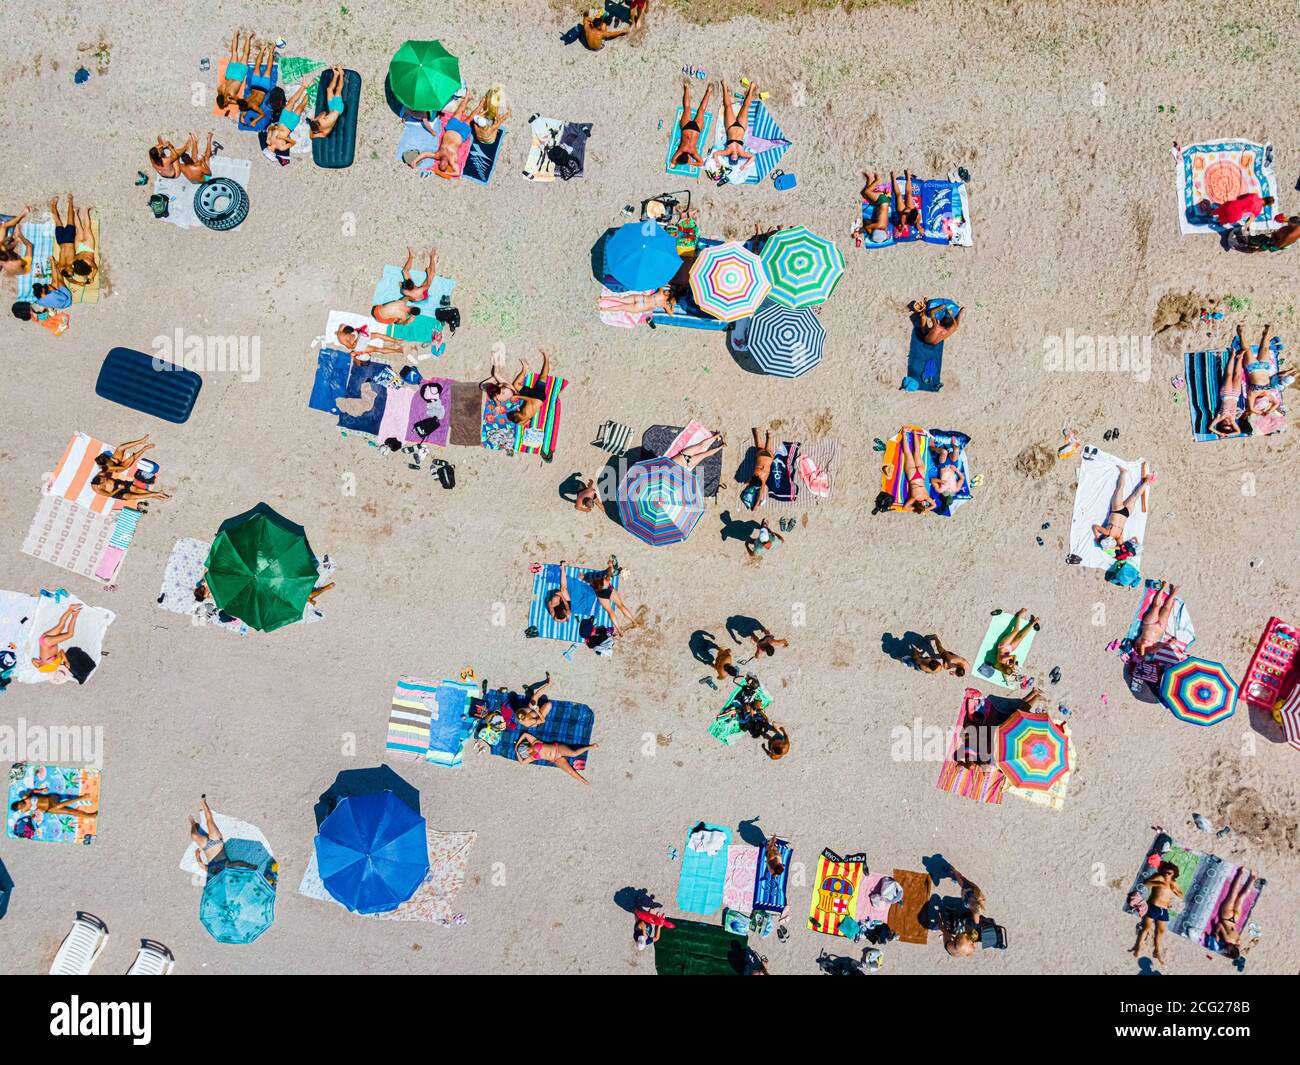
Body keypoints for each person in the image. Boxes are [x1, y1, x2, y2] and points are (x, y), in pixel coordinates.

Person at [1131, 860, 1183, 963]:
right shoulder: (1159, 877)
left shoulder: (1173, 883)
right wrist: (1159, 883)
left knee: (1161, 931)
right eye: (1165, 871)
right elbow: (1146, 882)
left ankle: (1157, 952)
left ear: (1174, 874)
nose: (1166, 874)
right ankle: (1137, 948)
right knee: (1146, 927)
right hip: (1153, 906)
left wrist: (1175, 890)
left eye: (1169, 873)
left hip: (1164, 910)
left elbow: (1181, 894)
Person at [1091, 465, 1153, 548]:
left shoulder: (1118, 537)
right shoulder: (1107, 532)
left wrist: (1113, 547)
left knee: (1135, 496)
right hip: (1117, 510)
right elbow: (1094, 527)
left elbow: (1120, 546)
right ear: (1104, 538)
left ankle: (1146, 482)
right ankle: (1123, 472)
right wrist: (1097, 538)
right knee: (1120, 488)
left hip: (1126, 514)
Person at [49, 195, 97, 288]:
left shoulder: (62, 266)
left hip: (64, 240)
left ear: (66, 271)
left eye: (71, 272)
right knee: (64, 220)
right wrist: (80, 282)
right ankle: (64, 203)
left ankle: (58, 204)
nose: (72, 271)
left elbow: (68, 278)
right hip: (65, 241)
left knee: (61, 220)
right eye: (73, 272)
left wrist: (79, 281)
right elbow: (70, 277)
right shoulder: (72, 265)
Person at [1211, 867, 1257, 959]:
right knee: (1233, 894)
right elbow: (1220, 924)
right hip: (1226, 917)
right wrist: (1216, 933)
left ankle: (1252, 878)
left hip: (1235, 918)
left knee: (1242, 896)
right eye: (1227, 951)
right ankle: (1241, 873)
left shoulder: (1238, 942)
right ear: (1229, 950)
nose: (1225, 949)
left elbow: (1238, 946)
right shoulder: (1227, 940)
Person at [430, 94, 480, 178]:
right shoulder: (452, 161)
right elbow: (457, 172)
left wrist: (415, 161)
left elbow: (424, 155)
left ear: (439, 163)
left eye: (441, 165)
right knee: (470, 118)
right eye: (445, 166)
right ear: (447, 166)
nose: (444, 163)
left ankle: (468, 97)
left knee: (459, 111)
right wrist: (446, 173)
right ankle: (481, 104)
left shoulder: (437, 155)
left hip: (451, 128)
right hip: (461, 134)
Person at [514, 734, 597, 784]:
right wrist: (517, 752)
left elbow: (525, 734)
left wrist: (517, 744)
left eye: (526, 748)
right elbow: (522, 763)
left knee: (573, 753)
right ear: (525, 753)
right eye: (526, 752)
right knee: (570, 771)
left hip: (557, 748)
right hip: (556, 759)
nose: (528, 750)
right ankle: (583, 781)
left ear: (526, 745)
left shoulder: (533, 742)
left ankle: (590, 747)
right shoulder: (532, 757)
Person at [710, 79, 757, 166]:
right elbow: (752, 157)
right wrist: (745, 165)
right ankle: (752, 87)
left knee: (728, 107)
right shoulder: (741, 153)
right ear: (737, 158)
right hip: (742, 127)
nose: (733, 158)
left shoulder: (727, 151)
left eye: (732, 160)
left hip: (730, 126)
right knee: (746, 107)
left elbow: (715, 154)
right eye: (735, 160)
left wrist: (717, 162)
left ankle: (724, 86)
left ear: (730, 158)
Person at [672, 79, 714, 168]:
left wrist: (690, 163)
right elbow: (673, 160)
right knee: (687, 107)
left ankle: (709, 91)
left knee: (701, 110)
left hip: (696, 130)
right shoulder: (680, 150)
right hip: (686, 128)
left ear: (688, 158)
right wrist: (680, 161)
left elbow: (701, 163)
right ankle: (686, 87)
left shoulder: (693, 152)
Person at [31, 603, 82, 677]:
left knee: (68, 633)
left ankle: (72, 611)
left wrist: (66, 661)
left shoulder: (54, 665)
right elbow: (33, 660)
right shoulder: (43, 666)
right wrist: (41, 662)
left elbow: (61, 652)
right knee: (62, 628)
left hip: (48, 643)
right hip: (44, 641)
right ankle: (74, 614)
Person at [1240, 323, 1280, 417]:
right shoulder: (1268, 394)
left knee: (1247, 350)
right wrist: (1268, 412)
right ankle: (1265, 334)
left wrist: (1261, 413)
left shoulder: (1252, 395)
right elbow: (1276, 404)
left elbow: (1251, 409)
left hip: (1253, 369)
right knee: (1265, 348)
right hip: (1265, 368)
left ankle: (1241, 333)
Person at [588, 558, 636, 635]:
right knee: (621, 606)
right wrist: (610, 565)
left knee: (610, 612)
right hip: (609, 590)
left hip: (601, 595)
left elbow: (588, 580)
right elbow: (609, 573)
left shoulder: (592, 582)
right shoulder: (605, 580)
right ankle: (634, 621)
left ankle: (619, 631)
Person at [506, 351, 553, 426]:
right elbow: (530, 400)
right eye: (516, 411)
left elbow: (524, 423)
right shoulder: (527, 412)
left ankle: (525, 368)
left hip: (531, 397)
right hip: (538, 397)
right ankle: (547, 357)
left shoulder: (520, 422)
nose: (516, 410)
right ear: (518, 415)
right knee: (543, 376)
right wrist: (517, 396)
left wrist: (520, 410)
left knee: (516, 385)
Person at [1132, 584, 1179, 657]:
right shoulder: (1153, 650)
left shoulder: (1138, 645)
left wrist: (1143, 647)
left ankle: (1162, 588)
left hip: (1149, 624)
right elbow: (1161, 645)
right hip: (1161, 628)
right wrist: (1170, 643)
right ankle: (1173, 594)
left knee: (1156, 607)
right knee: (1166, 610)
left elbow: (1141, 650)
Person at [991, 608, 1038, 680]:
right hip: (1009, 649)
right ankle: (1033, 623)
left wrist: (1013, 663)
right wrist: (1012, 666)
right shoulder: (1005, 666)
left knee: (1016, 631)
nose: (1011, 667)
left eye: (1010, 667)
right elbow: (1010, 660)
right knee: (1021, 636)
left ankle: (1019, 615)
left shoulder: (1001, 661)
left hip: (1003, 646)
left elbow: (1013, 656)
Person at [1211, 344, 1246, 435]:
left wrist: (1220, 433)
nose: (1228, 423)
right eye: (1229, 425)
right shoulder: (1233, 420)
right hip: (1235, 395)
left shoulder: (1219, 418)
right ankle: (1239, 358)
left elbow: (1210, 427)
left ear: (1221, 424)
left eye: (1225, 424)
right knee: (1238, 376)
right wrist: (1228, 434)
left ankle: (1232, 355)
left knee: (1229, 375)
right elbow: (1238, 432)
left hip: (1226, 394)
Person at [215, 30, 253, 111]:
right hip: (229, 74)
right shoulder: (219, 89)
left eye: (225, 104)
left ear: (225, 101)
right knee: (234, 52)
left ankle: (248, 38)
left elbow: (241, 102)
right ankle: (236, 34)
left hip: (238, 76)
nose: (226, 105)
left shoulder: (231, 94)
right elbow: (221, 93)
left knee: (245, 55)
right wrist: (227, 99)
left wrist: (230, 101)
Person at [334, 323, 411, 363]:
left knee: (377, 334)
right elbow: (351, 347)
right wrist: (359, 336)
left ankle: (396, 341)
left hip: (358, 337)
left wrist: (358, 333)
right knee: (377, 349)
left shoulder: (342, 327)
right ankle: (399, 350)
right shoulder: (341, 339)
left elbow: (348, 328)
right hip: (357, 345)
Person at [188, 795, 227, 870]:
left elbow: (202, 867)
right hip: (217, 842)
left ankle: (193, 823)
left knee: (194, 835)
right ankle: (203, 802)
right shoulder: (228, 869)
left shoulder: (212, 873)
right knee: (209, 821)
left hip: (206, 848)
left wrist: (197, 856)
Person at [307, 66, 347, 138]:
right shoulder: (321, 121)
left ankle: (336, 74)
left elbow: (311, 136)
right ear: (317, 123)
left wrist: (313, 129)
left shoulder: (324, 132)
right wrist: (316, 119)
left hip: (331, 109)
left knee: (329, 89)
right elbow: (324, 112)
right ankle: (341, 73)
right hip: (338, 109)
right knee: (338, 90)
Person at [900, 433, 936, 514]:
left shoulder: (926, 497)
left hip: (921, 475)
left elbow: (934, 505)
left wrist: (925, 510)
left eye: (924, 506)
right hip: (912, 477)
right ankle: (904, 433)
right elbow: (905, 507)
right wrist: (914, 509)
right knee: (908, 453)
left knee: (917, 452)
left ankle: (915, 433)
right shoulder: (913, 498)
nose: (926, 504)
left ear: (922, 504)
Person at [743, 428, 775, 508]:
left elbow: (761, 494)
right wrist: (747, 483)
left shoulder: (763, 482)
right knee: (759, 449)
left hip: (768, 458)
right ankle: (757, 432)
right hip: (760, 456)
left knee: (769, 451)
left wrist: (756, 505)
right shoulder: (754, 475)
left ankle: (769, 436)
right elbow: (748, 482)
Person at [90, 472, 170, 503]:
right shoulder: (97, 489)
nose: (106, 478)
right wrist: (119, 488)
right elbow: (109, 495)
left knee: (136, 489)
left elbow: (107, 469)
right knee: (133, 497)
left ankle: (156, 495)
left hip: (118, 483)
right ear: (100, 483)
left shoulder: (100, 475)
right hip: (116, 492)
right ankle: (156, 495)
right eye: (104, 479)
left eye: (104, 477)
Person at [1208, 192, 1273, 228]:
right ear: (1267, 204)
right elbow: (1248, 221)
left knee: (1220, 209)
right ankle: (1218, 220)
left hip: (1232, 205)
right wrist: (1246, 226)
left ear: (1265, 197)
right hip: (1236, 216)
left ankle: (1211, 213)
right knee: (1224, 219)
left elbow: (1239, 197)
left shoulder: (1255, 195)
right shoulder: (1258, 210)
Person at [859, 172, 892, 243]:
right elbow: (867, 227)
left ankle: (870, 179)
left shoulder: (884, 227)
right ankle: (878, 180)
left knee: (865, 195)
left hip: (883, 203)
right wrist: (859, 232)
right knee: (867, 192)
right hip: (882, 201)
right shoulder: (878, 225)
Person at [597, 287, 677, 316]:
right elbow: (671, 313)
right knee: (621, 302)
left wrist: (672, 304)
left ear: (669, 296)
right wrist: (672, 305)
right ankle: (603, 299)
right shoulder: (664, 303)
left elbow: (661, 284)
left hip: (641, 300)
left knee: (621, 305)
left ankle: (603, 307)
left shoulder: (661, 292)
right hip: (641, 305)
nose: (667, 291)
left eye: (669, 292)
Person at [0, 208, 33, 276]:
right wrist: (19, 237)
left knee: (4, 226)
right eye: (18, 257)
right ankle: (21, 216)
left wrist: (17, 238)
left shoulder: (3, 253)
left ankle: (21, 215)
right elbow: (29, 246)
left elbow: (5, 248)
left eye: (16, 257)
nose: (18, 256)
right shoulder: (25, 268)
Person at [892, 170, 921, 238]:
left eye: (909, 211)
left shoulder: (903, 218)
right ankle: (908, 176)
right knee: (908, 193)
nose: (909, 209)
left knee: (898, 195)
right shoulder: (917, 215)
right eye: (911, 210)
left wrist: (900, 232)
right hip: (907, 211)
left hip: (901, 211)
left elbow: (903, 227)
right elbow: (918, 225)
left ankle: (893, 178)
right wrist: (920, 229)